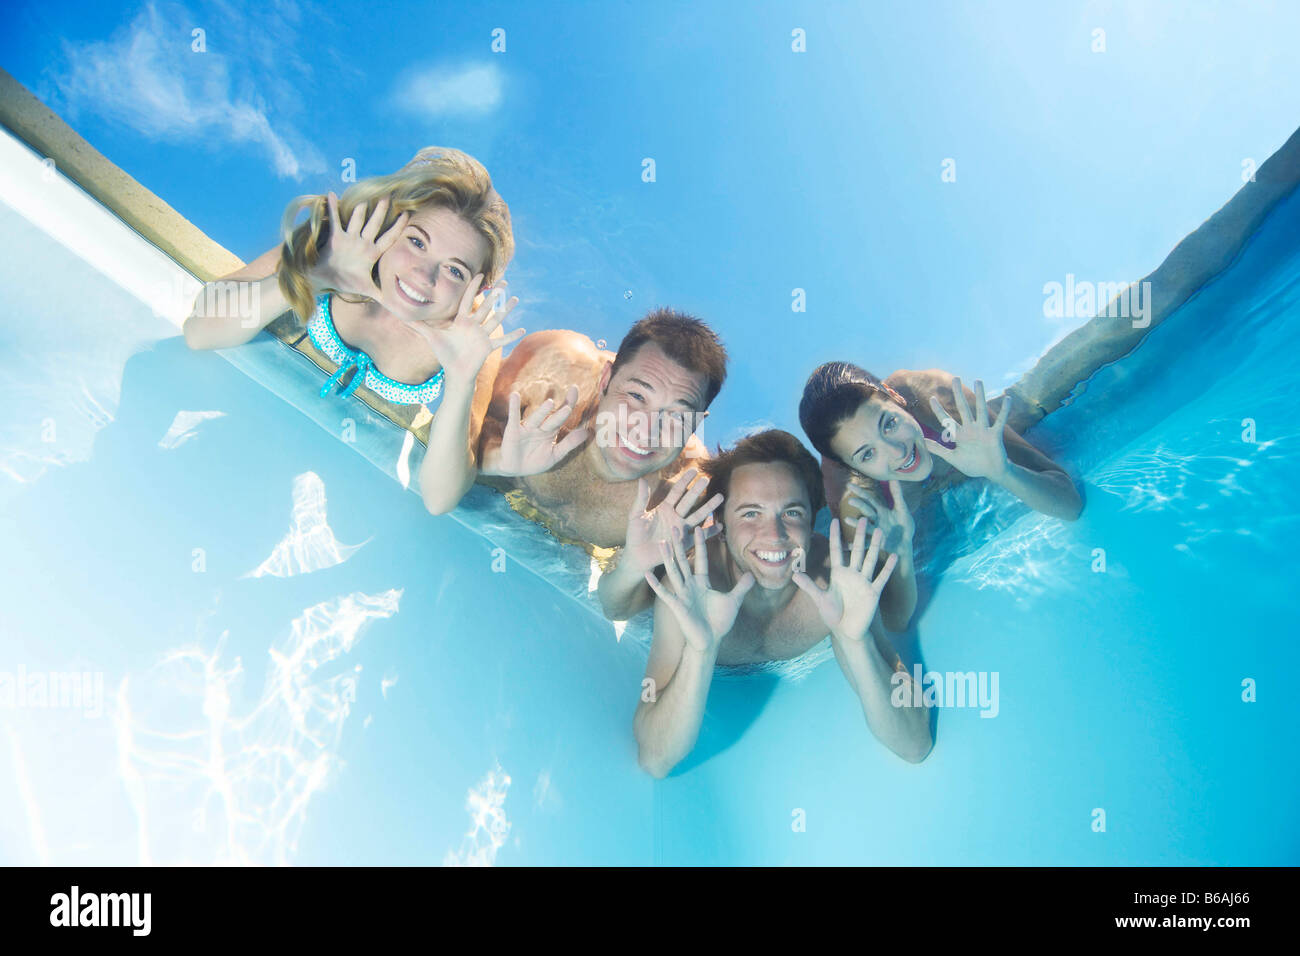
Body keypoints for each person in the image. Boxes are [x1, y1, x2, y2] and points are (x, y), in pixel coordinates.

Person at [182, 147, 571, 515]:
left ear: (478, 291)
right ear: (389, 227)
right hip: (226, 427)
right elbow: (200, 331)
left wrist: (460, 379)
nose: (424, 274)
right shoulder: (335, 246)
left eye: (454, 270)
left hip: (321, 497)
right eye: (417, 242)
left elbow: (439, 498)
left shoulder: (469, 341)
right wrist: (316, 276)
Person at [634, 430, 933, 778]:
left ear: (812, 518)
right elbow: (654, 759)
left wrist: (856, 641)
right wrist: (701, 651)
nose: (774, 535)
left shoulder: (836, 583)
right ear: (722, 525)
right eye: (750, 514)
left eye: (791, 513)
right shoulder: (690, 589)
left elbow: (914, 744)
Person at [798, 363, 1082, 632]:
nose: (897, 451)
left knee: (1041, 402)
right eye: (867, 454)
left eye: (889, 423)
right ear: (851, 467)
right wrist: (901, 551)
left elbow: (1071, 504)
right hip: (901, 498)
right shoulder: (853, 496)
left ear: (896, 398)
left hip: (950, 444)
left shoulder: (934, 394)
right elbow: (895, 619)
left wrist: (1002, 470)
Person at [477, 310, 730, 570]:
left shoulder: (685, 492)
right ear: (605, 379)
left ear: (696, 424)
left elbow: (627, 598)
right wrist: (494, 460)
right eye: (637, 396)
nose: (646, 431)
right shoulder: (552, 369)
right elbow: (459, 444)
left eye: (678, 415)